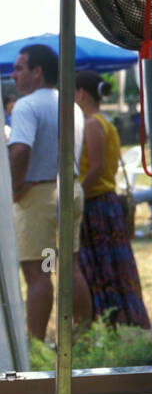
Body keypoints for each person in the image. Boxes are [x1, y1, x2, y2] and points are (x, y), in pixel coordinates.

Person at [7, 44, 92, 341]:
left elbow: (19, 150)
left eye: (19, 68)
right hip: (69, 189)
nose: (13, 74)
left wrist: (15, 187)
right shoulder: (72, 105)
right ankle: (82, 340)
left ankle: (37, 345)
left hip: (39, 195)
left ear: (37, 71)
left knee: (38, 273)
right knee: (69, 267)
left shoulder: (27, 106)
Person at [73, 71, 150, 329]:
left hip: (97, 205)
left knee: (101, 268)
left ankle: (111, 320)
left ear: (81, 94)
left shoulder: (93, 124)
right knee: (109, 267)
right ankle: (114, 322)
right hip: (102, 204)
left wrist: (75, 196)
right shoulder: (101, 121)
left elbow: (96, 168)